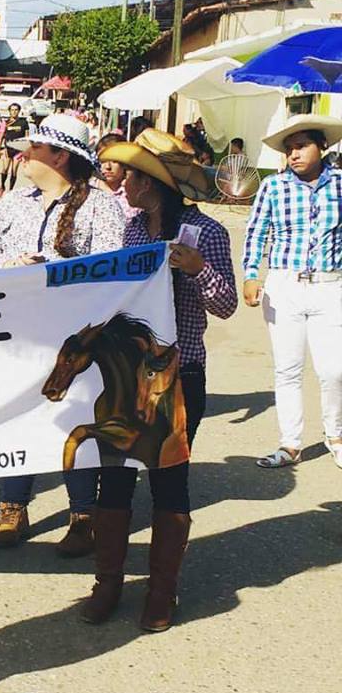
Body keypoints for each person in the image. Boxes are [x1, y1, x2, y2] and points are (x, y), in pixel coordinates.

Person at [89, 132, 237, 631]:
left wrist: (198, 271)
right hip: (128, 377)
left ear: (153, 184)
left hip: (180, 373)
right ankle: (107, 581)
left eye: (130, 175)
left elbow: (226, 305)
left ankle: (161, 590)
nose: (122, 182)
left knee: (169, 480)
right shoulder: (131, 231)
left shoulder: (207, 232)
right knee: (114, 475)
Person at [0, 114, 126, 556]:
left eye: (33, 148)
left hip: (74, 340)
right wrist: (11, 270)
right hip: (17, 336)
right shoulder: (15, 202)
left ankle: (82, 514)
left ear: (59, 155)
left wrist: (54, 275)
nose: (23, 155)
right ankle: (12, 507)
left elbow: (111, 270)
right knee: (16, 414)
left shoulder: (100, 206)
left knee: (74, 419)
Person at [242, 115, 342, 470]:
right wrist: (251, 274)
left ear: (322, 147)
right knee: (287, 369)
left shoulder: (340, 185)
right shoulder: (274, 187)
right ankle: (290, 444)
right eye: (289, 149)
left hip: (330, 285)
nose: (294, 155)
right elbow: (257, 231)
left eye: (301, 146)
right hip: (284, 284)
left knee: (334, 370)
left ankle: (336, 434)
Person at [96, 132, 141, 220]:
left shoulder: (134, 193)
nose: (108, 167)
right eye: (103, 161)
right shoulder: (87, 190)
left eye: (114, 161)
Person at [0, 103, 27, 199]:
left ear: (19, 111)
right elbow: (1, 137)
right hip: (8, 149)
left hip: (18, 150)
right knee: (5, 169)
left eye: (16, 110)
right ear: (9, 111)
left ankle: (10, 190)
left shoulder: (23, 123)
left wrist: (25, 151)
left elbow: (26, 137)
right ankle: (2, 186)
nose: (14, 112)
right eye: (12, 110)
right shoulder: (5, 123)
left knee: (14, 171)